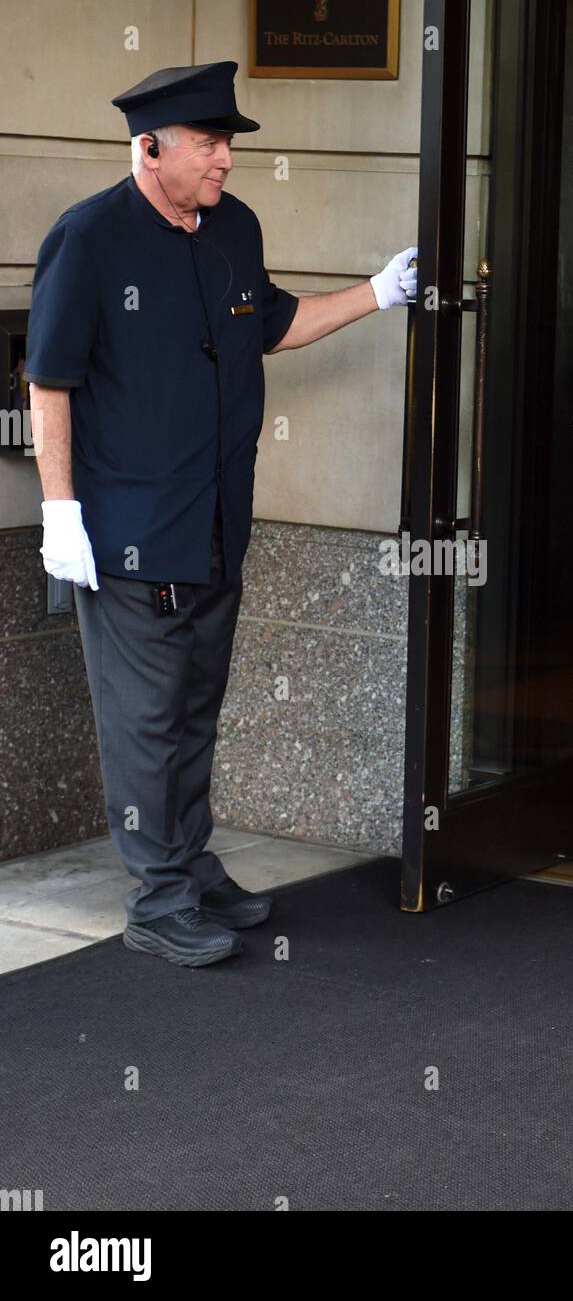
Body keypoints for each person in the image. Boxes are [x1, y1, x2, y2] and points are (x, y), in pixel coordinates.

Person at [24, 61, 417, 968]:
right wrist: (59, 512)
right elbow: (50, 379)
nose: (227, 161)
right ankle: (158, 900)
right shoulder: (88, 237)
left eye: (229, 143)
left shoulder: (234, 228)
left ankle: (189, 868)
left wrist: (376, 292)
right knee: (147, 720)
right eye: (209, 143)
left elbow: (270, 323)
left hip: (214, 524)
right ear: (148, 147)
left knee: (196, 709)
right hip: (127, 532)